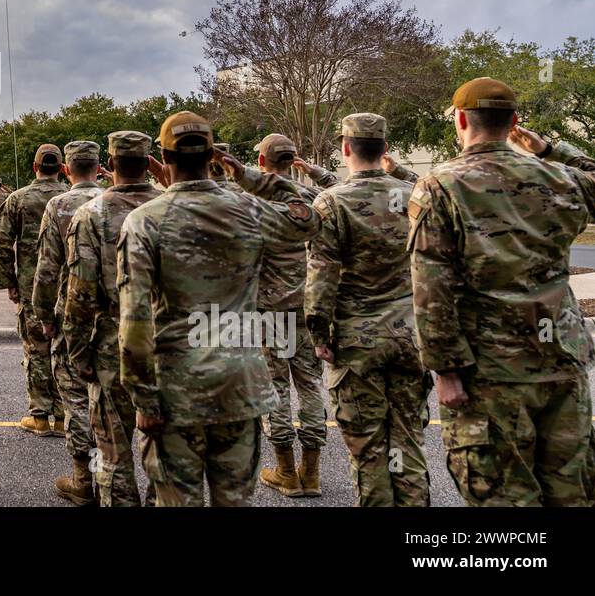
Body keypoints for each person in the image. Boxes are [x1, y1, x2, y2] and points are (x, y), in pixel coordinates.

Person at [411, 79, 595, 506]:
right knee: (572, 492)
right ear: (514, 122)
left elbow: (430, 283)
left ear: (460, 120)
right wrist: (552, 149)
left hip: (490, 372)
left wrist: (446, 370)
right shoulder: (559, 177)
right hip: (561, 361)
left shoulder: (440, 186)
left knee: (504, 497)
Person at [120, 111, 319, 506]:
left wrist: (143, 399)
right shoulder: (248, 209)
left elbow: (134, 321)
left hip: (175, 388)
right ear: (212, 154)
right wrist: (250, 176)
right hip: (238, 382)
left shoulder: (144, 222)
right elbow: (307, 215)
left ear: (163, 157)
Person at [305, 113, 430, 506]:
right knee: (409, 444)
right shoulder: (413, 194)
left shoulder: (331, 202)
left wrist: (319, 335)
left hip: (358, 344)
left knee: (369, 453)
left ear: (345, 148)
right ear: (386, 150)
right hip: (410, 337)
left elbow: (322, 275)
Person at [228, 133, 329, 497]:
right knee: (311, 386)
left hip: (270, 311)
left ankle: (286, 471)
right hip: (307, 306)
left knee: (276, 388)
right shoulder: (311, 199)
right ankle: (312, 472)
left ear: (261, 162)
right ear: (291, 161)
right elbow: (334, 186)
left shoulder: (247, 203)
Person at [65, 131, 161, 506]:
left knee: (113, 453)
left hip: (112, 344)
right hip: (165, 347)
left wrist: (77, 352)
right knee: (164, 456)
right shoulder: (169, 207)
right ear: (147, 162)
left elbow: (81, 292)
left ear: (112, 164)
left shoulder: (92, 214)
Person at [33, 140, 103, 504]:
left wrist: (44, 315)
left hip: (73, 312)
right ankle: (108, 477)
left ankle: (82, 479)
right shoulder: (111, 201)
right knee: (107, 401)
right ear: (99, 166)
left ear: (67, 169)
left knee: (76, 398)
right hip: (113, 318)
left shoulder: (59, 206)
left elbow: (47, 268)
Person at [0, 144, 68, 434]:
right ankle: (63, 416)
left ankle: (39, 416)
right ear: (61, 167)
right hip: (68, 285)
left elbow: (1, 244)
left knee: (37, 349)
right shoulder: (71, 199)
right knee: (64, 348)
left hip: (31, 284)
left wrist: (9, 282)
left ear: (36, 167)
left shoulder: (18, 199)